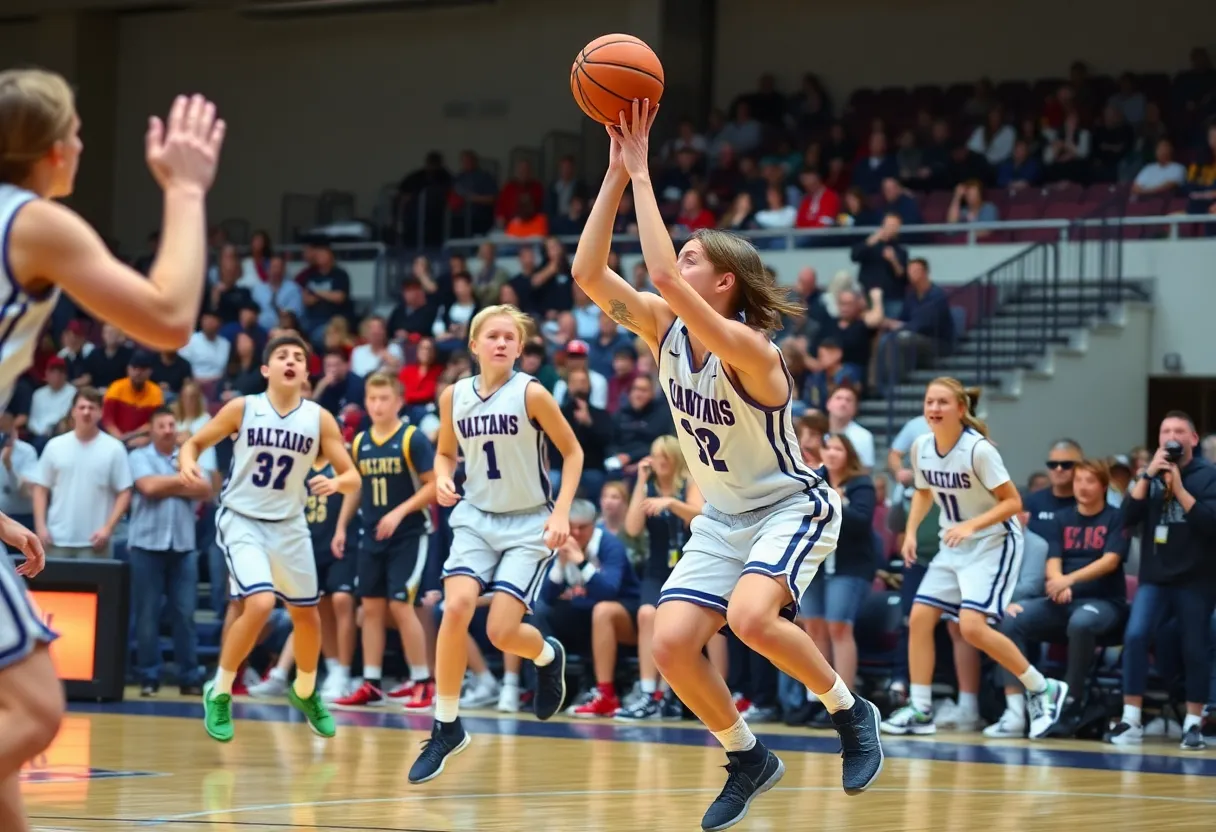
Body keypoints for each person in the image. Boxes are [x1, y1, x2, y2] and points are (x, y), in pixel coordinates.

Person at [570, 100, 883, 831]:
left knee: (748, 618)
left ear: (723, 285)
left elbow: (655, 272)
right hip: (723, 515)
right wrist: (616, 176)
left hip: (790, 506)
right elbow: (589, 271)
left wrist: (645, 173)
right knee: (671, 644)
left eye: (691, 260)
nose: (674, 268)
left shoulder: (755, 351)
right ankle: (747, 755)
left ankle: (849, 710)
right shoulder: (664, 328)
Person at [0, 69, 224, 829]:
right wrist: (187, 190)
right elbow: (167, 318)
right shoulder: (30, 222)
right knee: (31, 714)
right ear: (56, 152)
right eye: (79, 136)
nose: (82, 147)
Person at [407, 305, 583, 784]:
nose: (502, 343)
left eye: (510, 337)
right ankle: (446, 726)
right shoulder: (454, 396)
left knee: (502, 633)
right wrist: (443, 477)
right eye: (493, 336)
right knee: (455, 605)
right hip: (476, 519)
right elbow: (445, 452)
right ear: (474, 344)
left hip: (529, 523)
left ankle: (547, 656)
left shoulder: (533, 394)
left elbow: (573, 452)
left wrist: (563, 512)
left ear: (520, 349)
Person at [179, 334, 361, 743]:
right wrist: (188, 463)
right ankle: (220, 689)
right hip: (242, 519)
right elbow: (194, 442)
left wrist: (336, 482)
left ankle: (306, 690)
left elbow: (351, 473)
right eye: (282, 355)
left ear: (306, 372)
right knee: (260, 602)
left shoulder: (318, 418)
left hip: (290, 524)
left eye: (299, 356)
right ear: (266, 369)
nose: (291, 361)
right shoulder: (244, 408)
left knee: (307, 616)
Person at [880, 378, 1067, 740]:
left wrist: (971, 526)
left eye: (943, 402)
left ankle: (1044, 688)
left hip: (993, 542)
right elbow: (922, 492)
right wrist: (914, 532)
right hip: (955, 543)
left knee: (972, 627)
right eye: (929, 401)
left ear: (961, 410)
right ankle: (920, 709)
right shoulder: (921, 447)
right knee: (919, 617)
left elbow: (1014, 503)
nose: (934, 408)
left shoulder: (978, 450)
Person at [990, 459, 1128, 738]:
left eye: (1090, 481)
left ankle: (1070, 704)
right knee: (1011, 619)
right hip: (1061, 599)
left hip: (1104, 603)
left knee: (1081, 622)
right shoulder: (1062, 518)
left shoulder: (1116, 517)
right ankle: (1016, 709)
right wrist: (1056, 582)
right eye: (1078, 481)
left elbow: (1110, 561)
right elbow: (1053, 560)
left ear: (1103, 485)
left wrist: (1070, 580)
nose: (1083, 487)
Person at [1107, 411, 1216, 750]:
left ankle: (1193, 723)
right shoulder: (1149, 475)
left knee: (1193, 647)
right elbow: (1126, 518)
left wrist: (1179, 488)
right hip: (1154, 577)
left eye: (1179, 430)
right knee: (1136, 635)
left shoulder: (1209, 475)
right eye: (1166, 430)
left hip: (1195, 578)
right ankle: (1131, 719)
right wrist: (1145, 477)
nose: (1172, 435)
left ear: (1193, 439)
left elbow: (1210, 525)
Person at [332, 373, 437, 709]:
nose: (377, 405)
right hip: (371, 536)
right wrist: (340, 527)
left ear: (399, 401)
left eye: (384, 399)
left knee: (400, 605)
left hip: (408, 535)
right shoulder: (360, 442)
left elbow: (433, 486)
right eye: (372, 399)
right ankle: (372, 682)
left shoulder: (412, 438)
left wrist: (398, 513)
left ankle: (423, 681)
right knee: (371, 608)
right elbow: (356, 487)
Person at [611, 437, 702, 721]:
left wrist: (671, 503)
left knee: (672, 627)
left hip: (688, 566)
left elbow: (698, 515)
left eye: (663, 456)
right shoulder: (648, 487)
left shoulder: (690, 483)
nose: (658, 461)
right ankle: (648, 692)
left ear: (674, 458)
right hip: (656, 567)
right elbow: (633, 528)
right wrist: (640, 481)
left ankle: (669, 694)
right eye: (654, 456)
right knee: (647, 614)